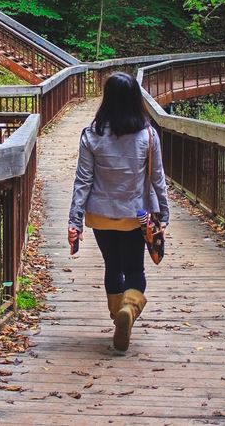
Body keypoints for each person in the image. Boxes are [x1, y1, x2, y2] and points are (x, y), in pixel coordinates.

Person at [68, 72, 169, 351]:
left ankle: (118, 315)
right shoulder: (148, 136)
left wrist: (74, 219)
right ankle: (129, 309)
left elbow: (83, 180)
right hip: (135, 215)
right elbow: (157, 178)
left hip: (100, 214)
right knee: (134, 268)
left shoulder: (92, 135)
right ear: (135, 99)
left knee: (112, 266)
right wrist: (164, 215)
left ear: (107, 99)